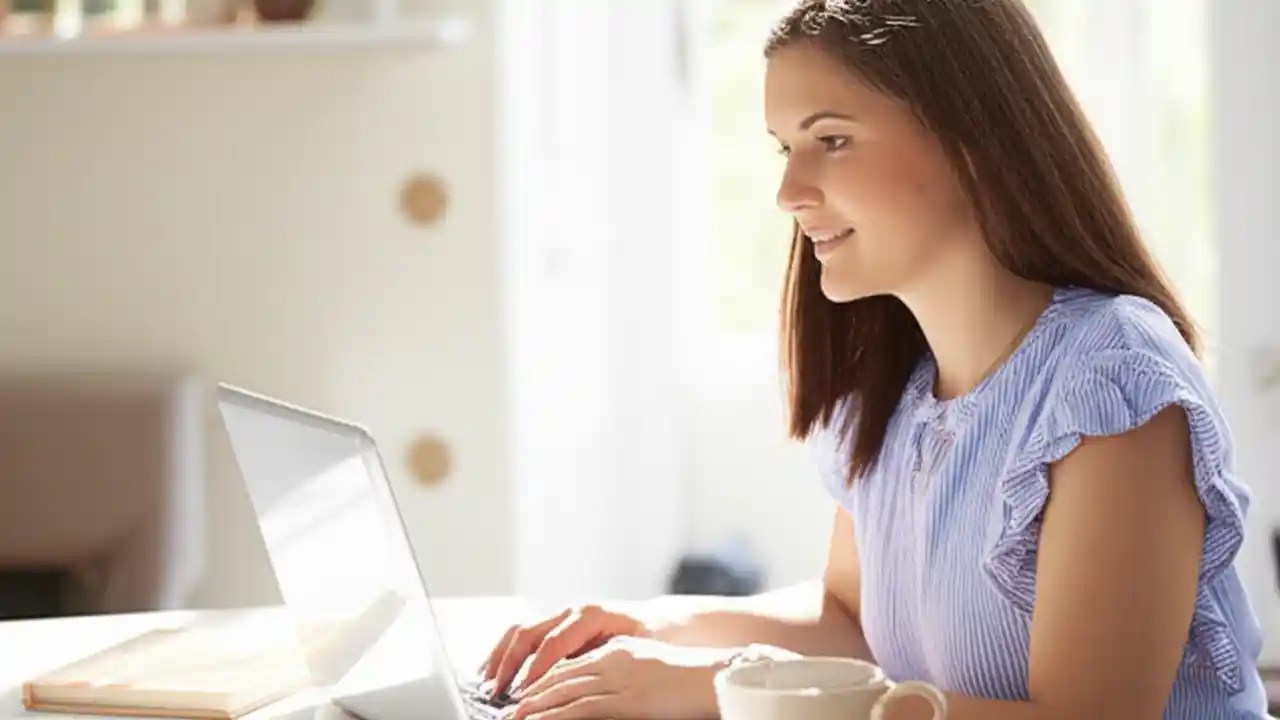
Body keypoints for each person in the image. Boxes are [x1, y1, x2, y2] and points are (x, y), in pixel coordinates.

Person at [479, 1, 1270, 718]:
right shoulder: (895, 392)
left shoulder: (1112, 379)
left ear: (973, 139)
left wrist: (730, 690)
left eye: (832, 140)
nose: (789, 190)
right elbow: (850, 621)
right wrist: (652, 626)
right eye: (785, 147)